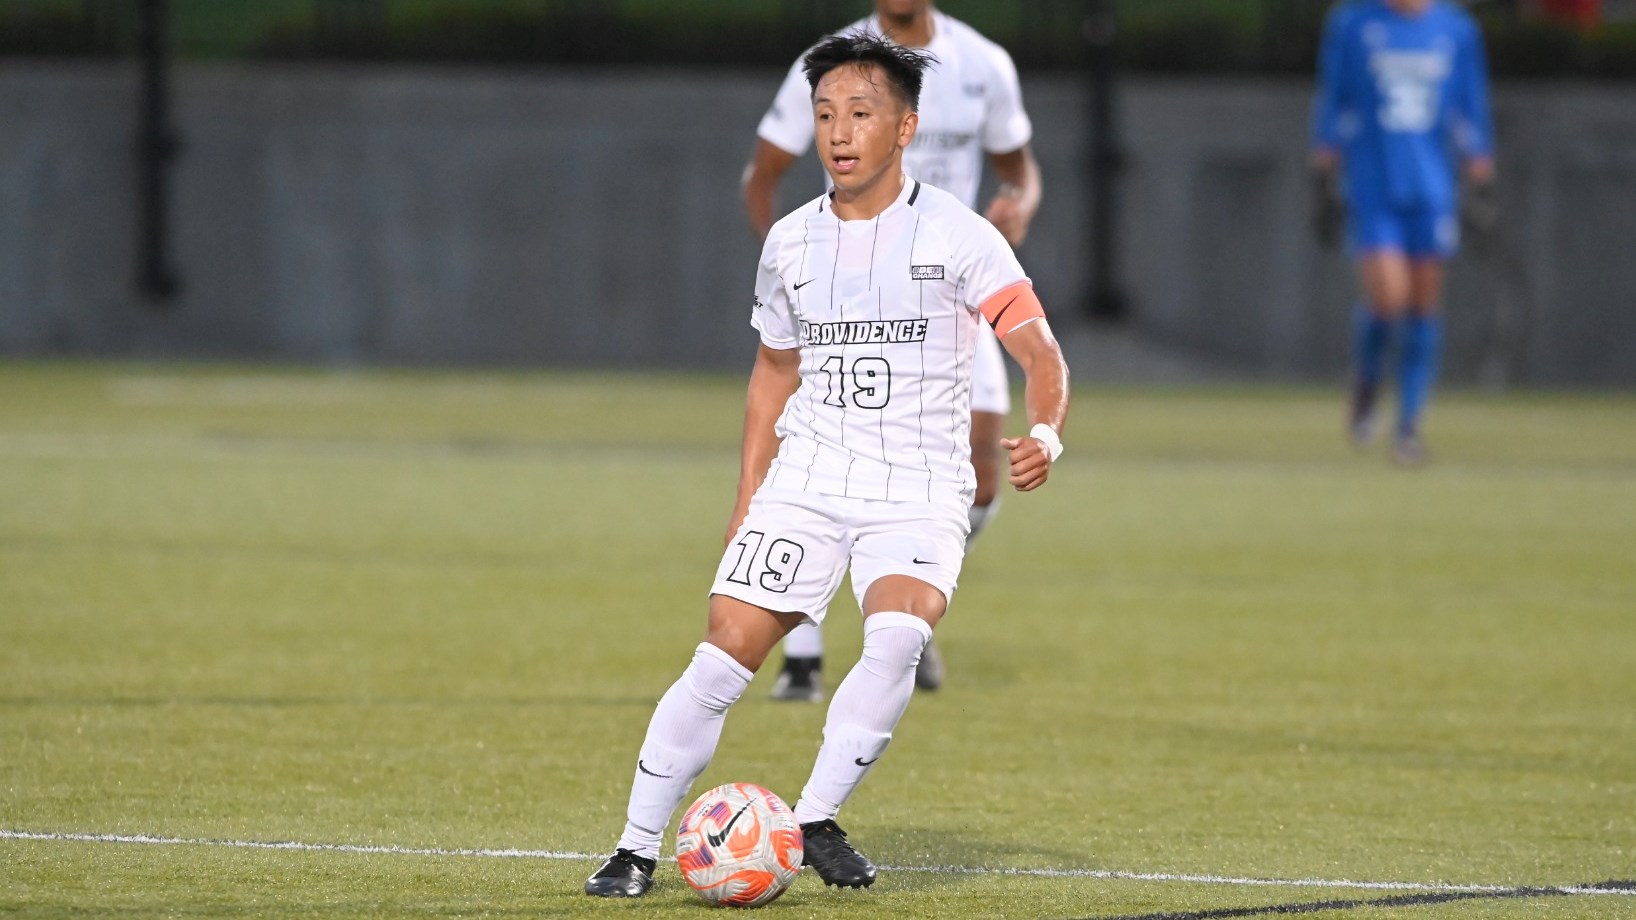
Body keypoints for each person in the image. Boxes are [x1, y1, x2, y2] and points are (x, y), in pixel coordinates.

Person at [585, 31, 1069, 899]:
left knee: (898, 637)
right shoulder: (791, 243)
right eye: (825, 115)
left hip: (919, 485)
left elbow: (1039, 351)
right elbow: (772, 374)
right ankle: (633, 847)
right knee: (721, 656)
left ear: (906, 127)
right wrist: (746, 500)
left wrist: (1048, 431)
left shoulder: (960, 237)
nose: (839, 132)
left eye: (860, 113)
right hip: (808, 480)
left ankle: (812, 817)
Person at [744, 0, 1042, 700]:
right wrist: (791, 279)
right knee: (817, 464)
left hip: (951, 295)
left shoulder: (982, 64)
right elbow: (761, 175)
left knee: (983, 470)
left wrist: (1020, 204)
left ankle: (909, 610)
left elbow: (1018, 169)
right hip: (854, 301)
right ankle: (805, 656)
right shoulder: (830, 62)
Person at [1311, 0, 1495, 465]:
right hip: (1374, 184)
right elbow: (1335, 97)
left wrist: (1479, 171)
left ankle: (1409, 425)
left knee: (1423, 303)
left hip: (1431, 187)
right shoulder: (1354, 23)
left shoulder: (1456, 30)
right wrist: (1324, 168)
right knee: (1389, 297)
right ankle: (1368, 382)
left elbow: (1470, 103)